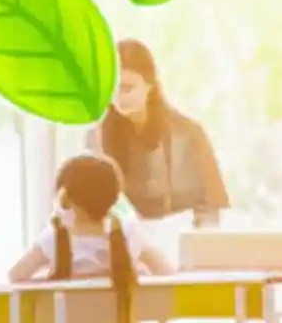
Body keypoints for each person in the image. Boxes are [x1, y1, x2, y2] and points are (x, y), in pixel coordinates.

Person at [87, 39, 229, 256]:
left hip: (181, 247)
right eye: (113, 88)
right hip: (120, 252)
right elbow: (89, 211)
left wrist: (200, 252)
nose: (119, 97)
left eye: (127, 88)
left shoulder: (188, 134)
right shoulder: (97, 136)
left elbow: (210, 207)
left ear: (150, 85)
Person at [8, 153, 173, 323]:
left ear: (63, 196)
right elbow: (166, 272)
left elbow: (16, 276)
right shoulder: (128, 235)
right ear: (115, 197)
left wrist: (48, 282)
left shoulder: (53, 239)